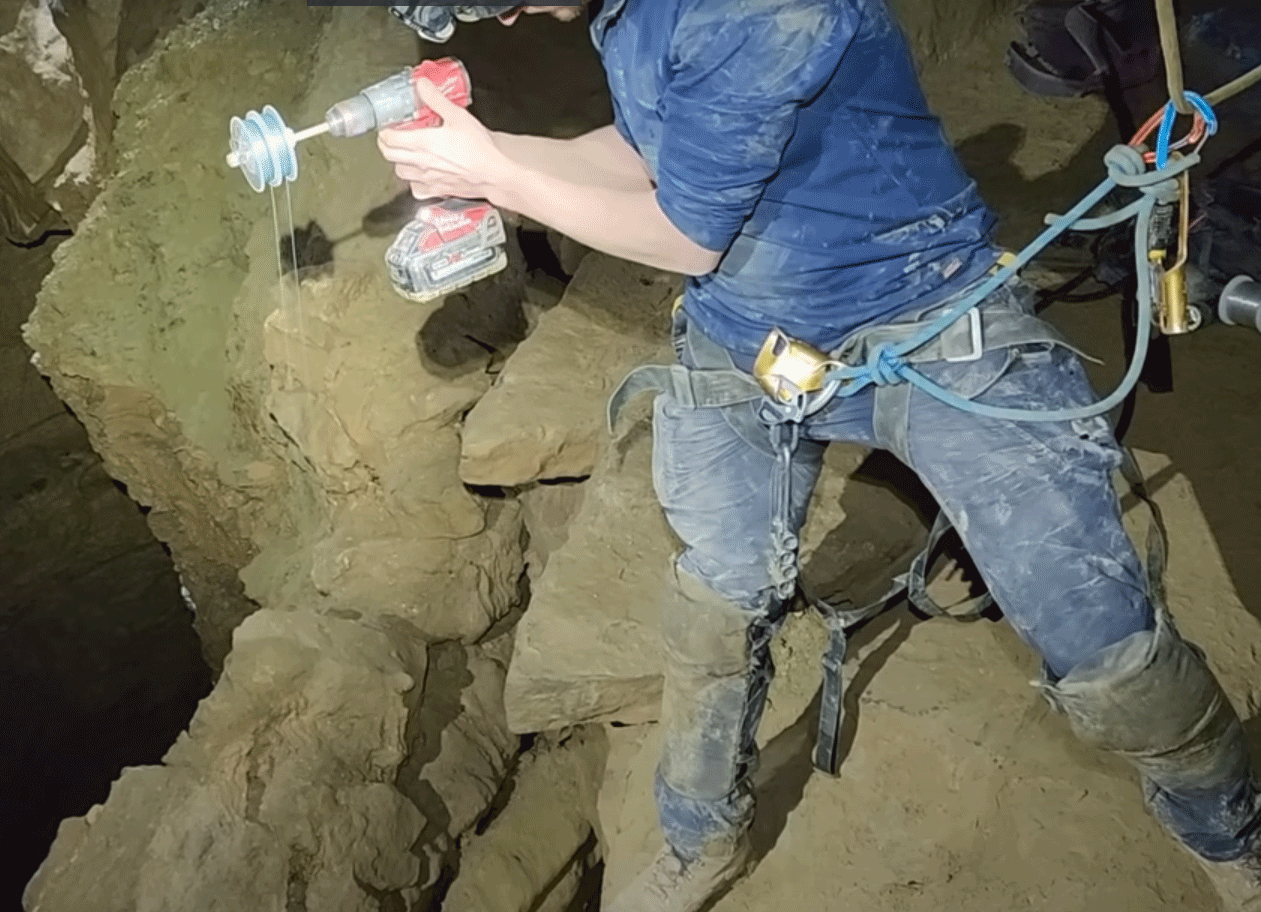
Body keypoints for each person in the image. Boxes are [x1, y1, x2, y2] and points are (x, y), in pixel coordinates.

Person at [378, 1, 1261, 910]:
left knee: (1105, 647)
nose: (509, 16)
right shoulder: (626, 12)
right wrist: (492, 153)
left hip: (930, 325)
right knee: (713, 612)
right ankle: (701, 838)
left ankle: (1231, 833)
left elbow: (687, 236)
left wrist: (497, 176)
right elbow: (655, 145)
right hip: (749, 343)